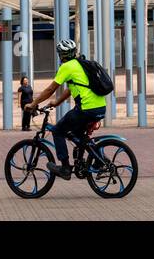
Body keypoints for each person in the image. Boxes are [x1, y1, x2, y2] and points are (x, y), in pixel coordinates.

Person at [25, 38, 107, 178]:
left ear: (61, 55)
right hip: (100, 107)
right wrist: (56, 103)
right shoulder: (80, 64)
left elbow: (50, 89)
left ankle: (65, 168)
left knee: (58, 131)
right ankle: (100, 160)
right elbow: (71, 89)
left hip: (86, 109)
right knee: (79, 135)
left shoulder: (67, 67)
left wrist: (33, 104)